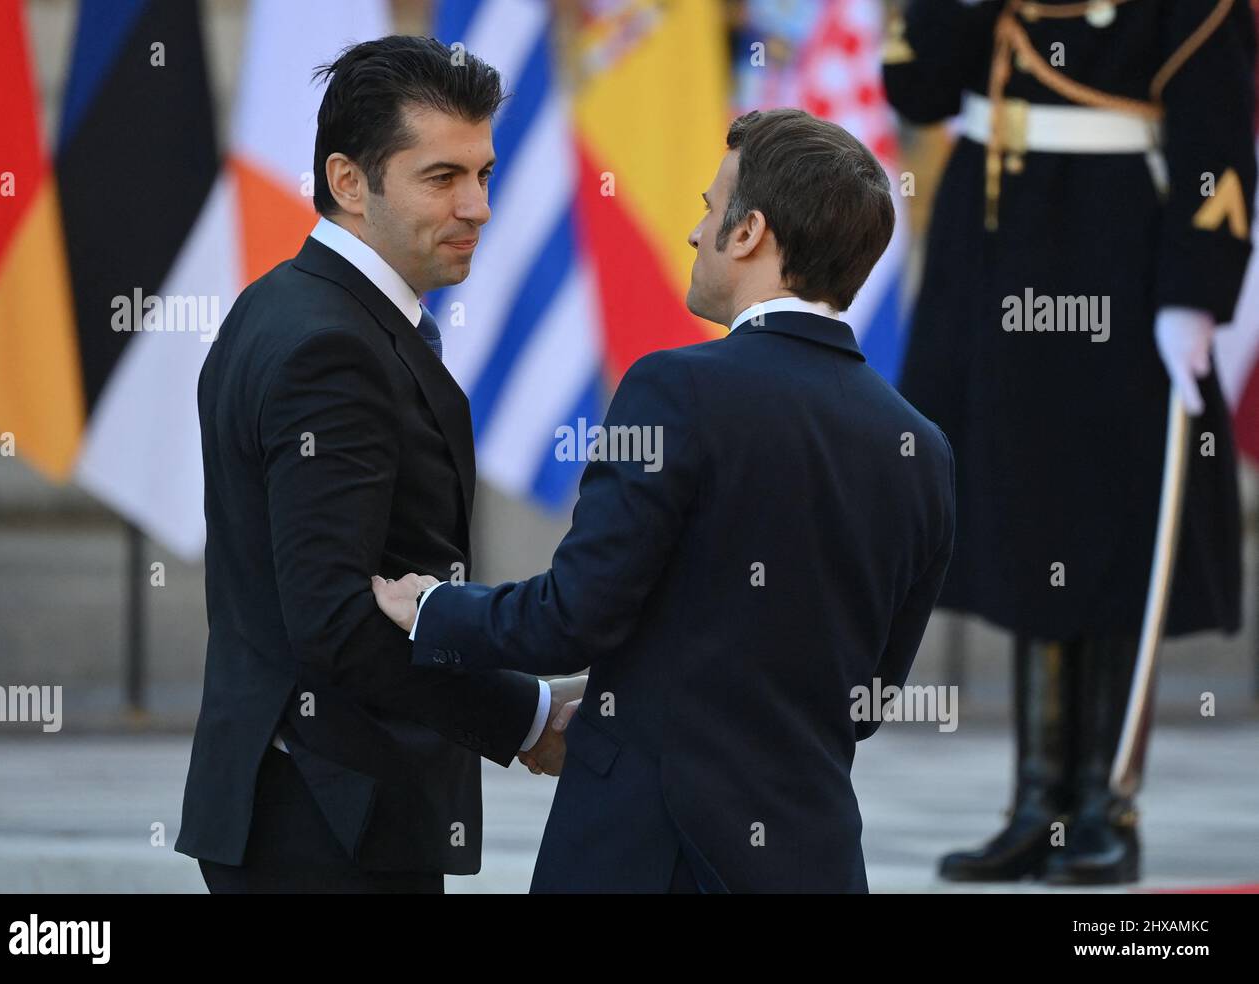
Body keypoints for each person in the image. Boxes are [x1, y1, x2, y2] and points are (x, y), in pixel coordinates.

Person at [373, 109, 957, 893]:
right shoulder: (921, 446)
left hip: (646, 852)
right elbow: (868, 697)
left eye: (710, 209)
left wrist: (437, 610)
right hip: (812, 856)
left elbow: (570, 618)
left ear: (748, 233)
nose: (694, 232)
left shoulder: (673, 389)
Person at [175, 36, 584, 894]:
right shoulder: (331, 344)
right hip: (328, 823)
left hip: (320, 811)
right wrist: (524, 714)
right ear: (349, 181)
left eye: (484, 173)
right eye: (442, 178)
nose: (477, 206)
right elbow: (333, 621)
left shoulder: (288, 305)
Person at [882, 0, 1255, 883]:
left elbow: (1217, 144)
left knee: (1111, 523)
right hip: (996, 245)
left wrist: (1195, 291)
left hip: (1116, 250)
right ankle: (1038, 804)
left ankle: (1106, 806)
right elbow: (919, 88)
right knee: (1026, 521)